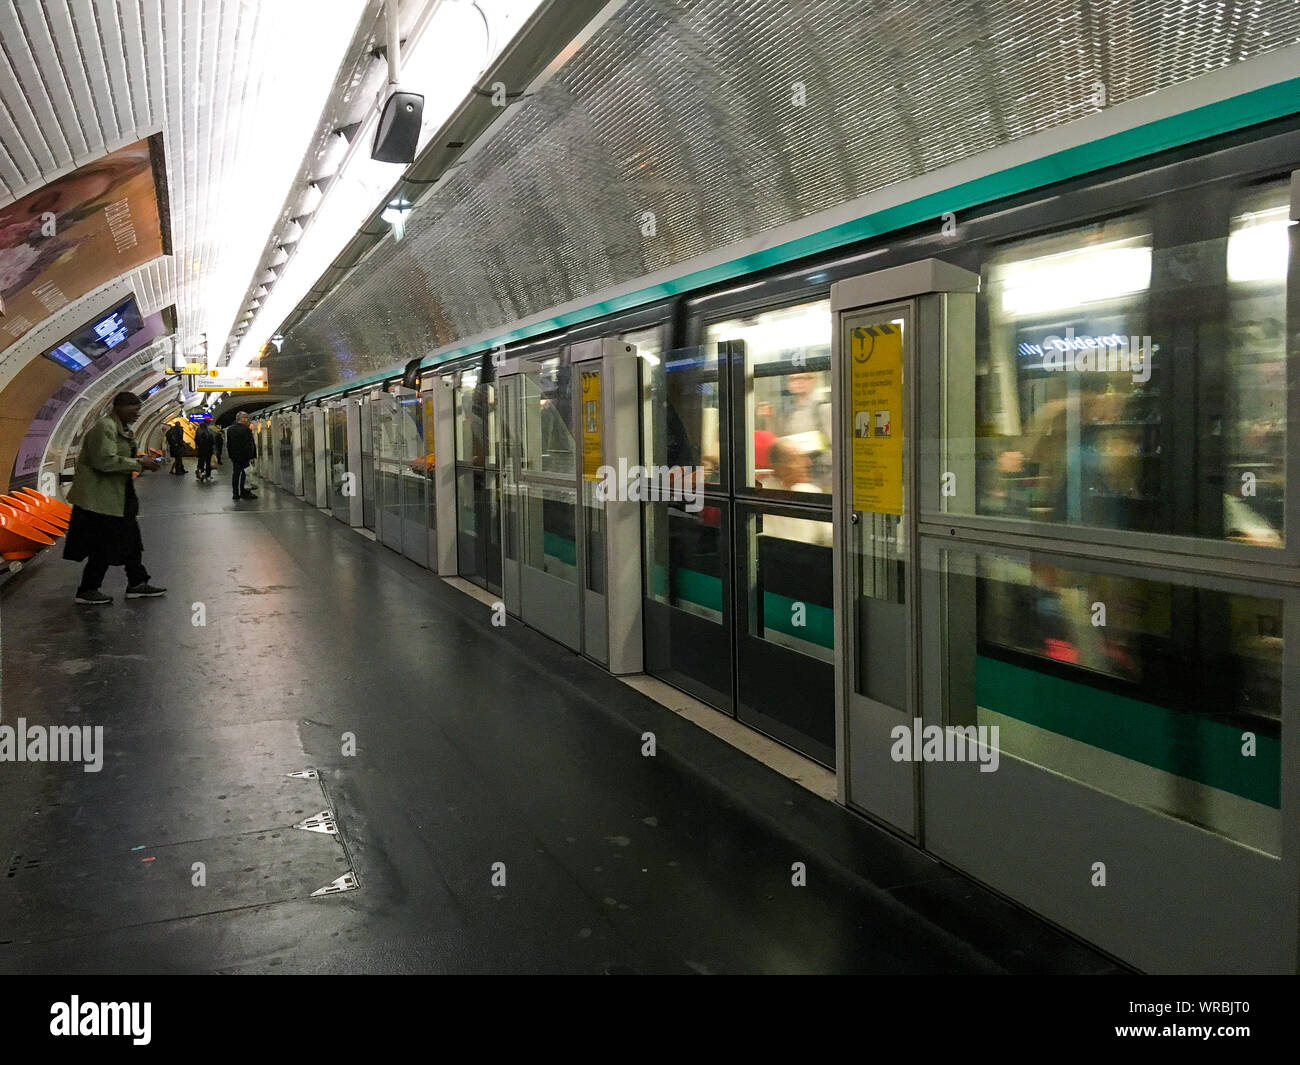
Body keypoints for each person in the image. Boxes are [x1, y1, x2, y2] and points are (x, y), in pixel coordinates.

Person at [63, 391, 167, 604]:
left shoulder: (122, 428)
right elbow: (104, 461)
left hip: (117, 494)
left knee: (131, 540)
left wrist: (141, 460)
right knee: (102, 545)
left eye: (139, 410)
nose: (138, 414)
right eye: (134, 409)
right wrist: (139, 463)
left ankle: (137, 582)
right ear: (119, 407)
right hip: (100, 498)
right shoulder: (105, 427)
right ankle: (87, 589)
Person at [226, 412, 258, 501]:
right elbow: (250, 445)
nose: (248, 419)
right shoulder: (246, 429)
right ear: (241, 418)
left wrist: (231, 456)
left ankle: (235, 494)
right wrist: (252, 456)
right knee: (245, 475)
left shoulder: (230, 429)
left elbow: (229, 444)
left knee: (235, 475)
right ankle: (244, 492)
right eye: (246, 417)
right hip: (245, 457)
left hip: (235, 457)